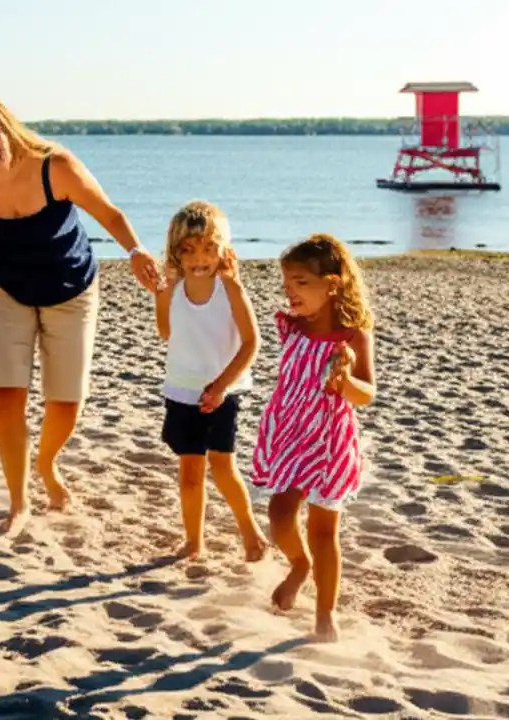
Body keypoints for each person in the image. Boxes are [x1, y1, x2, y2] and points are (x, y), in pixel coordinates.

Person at [0, 96, 161, 537]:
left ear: (9, 129)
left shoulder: (55, 166)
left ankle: (46, 463)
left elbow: (109, 213)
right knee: (6, 395)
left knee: (67, 401)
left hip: (70, 288)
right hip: (5, 289)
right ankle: (19, 504)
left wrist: (135, 251)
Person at [251, 233, 376, 642]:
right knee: (279, 516)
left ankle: (325, 615)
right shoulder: (292, 325)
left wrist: (343, 381)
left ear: (333, 283)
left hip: (328, 441)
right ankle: (299, 565)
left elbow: (367, 394)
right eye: (287, 284)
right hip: (290, 433)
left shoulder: (352, 337)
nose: (290, 293)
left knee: (325, 531)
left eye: (301, 282)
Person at [152, 201, 267, 562]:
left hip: (223, 390)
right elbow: (165, 331)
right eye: (189, 250)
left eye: (208, 248)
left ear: (223, 250)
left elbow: (252, 343)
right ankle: (194, 541)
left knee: (222, 465)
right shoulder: (175, 286)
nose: (199, 258)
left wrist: (221, 386)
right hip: (182, 389)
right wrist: (163, 290)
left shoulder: (229, 287)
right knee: (189, 473)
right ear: (176, 253)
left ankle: (250, 533)